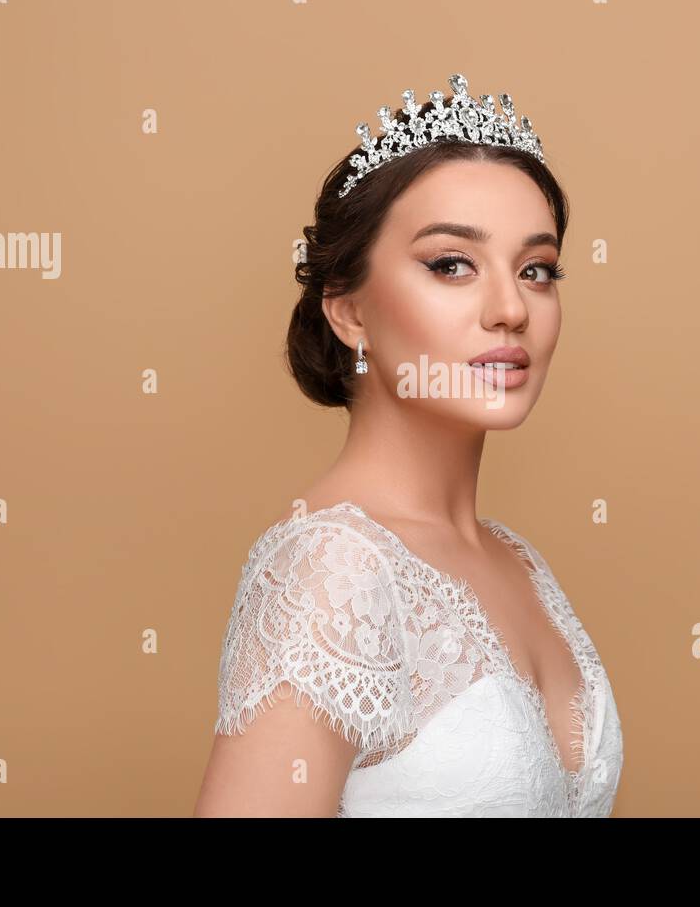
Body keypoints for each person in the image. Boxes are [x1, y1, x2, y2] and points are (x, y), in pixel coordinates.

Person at [194, 74, 623, 816]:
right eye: (451, 264)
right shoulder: (329, 568)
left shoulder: (518, 561)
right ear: (350, 312)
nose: (511, 308)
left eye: (537, 269)